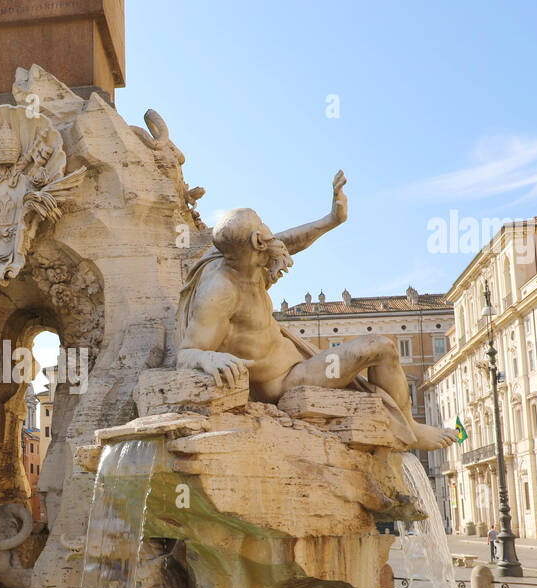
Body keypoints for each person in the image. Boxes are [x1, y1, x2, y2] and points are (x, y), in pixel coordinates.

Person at [176, 172, 457, 451]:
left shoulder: (245, 259)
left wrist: (332, 219)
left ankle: (404, 422)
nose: (270, 229)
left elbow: (291, 241)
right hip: (287, 381)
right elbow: (187, 351)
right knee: (381, 347)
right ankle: (409, 426)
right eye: (263, 225)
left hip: (300, 358)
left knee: (378, 348)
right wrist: (207, 357)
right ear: (257, 242)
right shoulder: (220, 291)